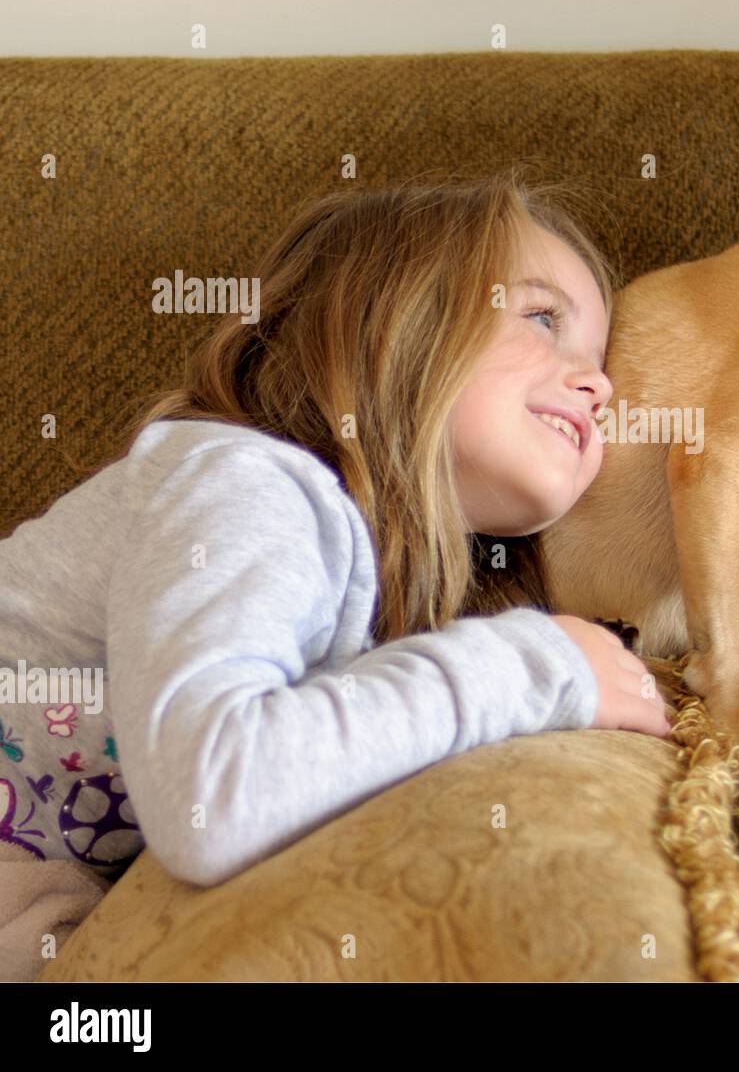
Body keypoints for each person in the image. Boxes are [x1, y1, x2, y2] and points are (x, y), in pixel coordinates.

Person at [0, 169, 670, 981]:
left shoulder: (385, 579)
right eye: (539, 317)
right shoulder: (251, 484)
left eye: (599, 359)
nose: (597, 383)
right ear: (385, 320)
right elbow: (211, 797)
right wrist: (535, 666)